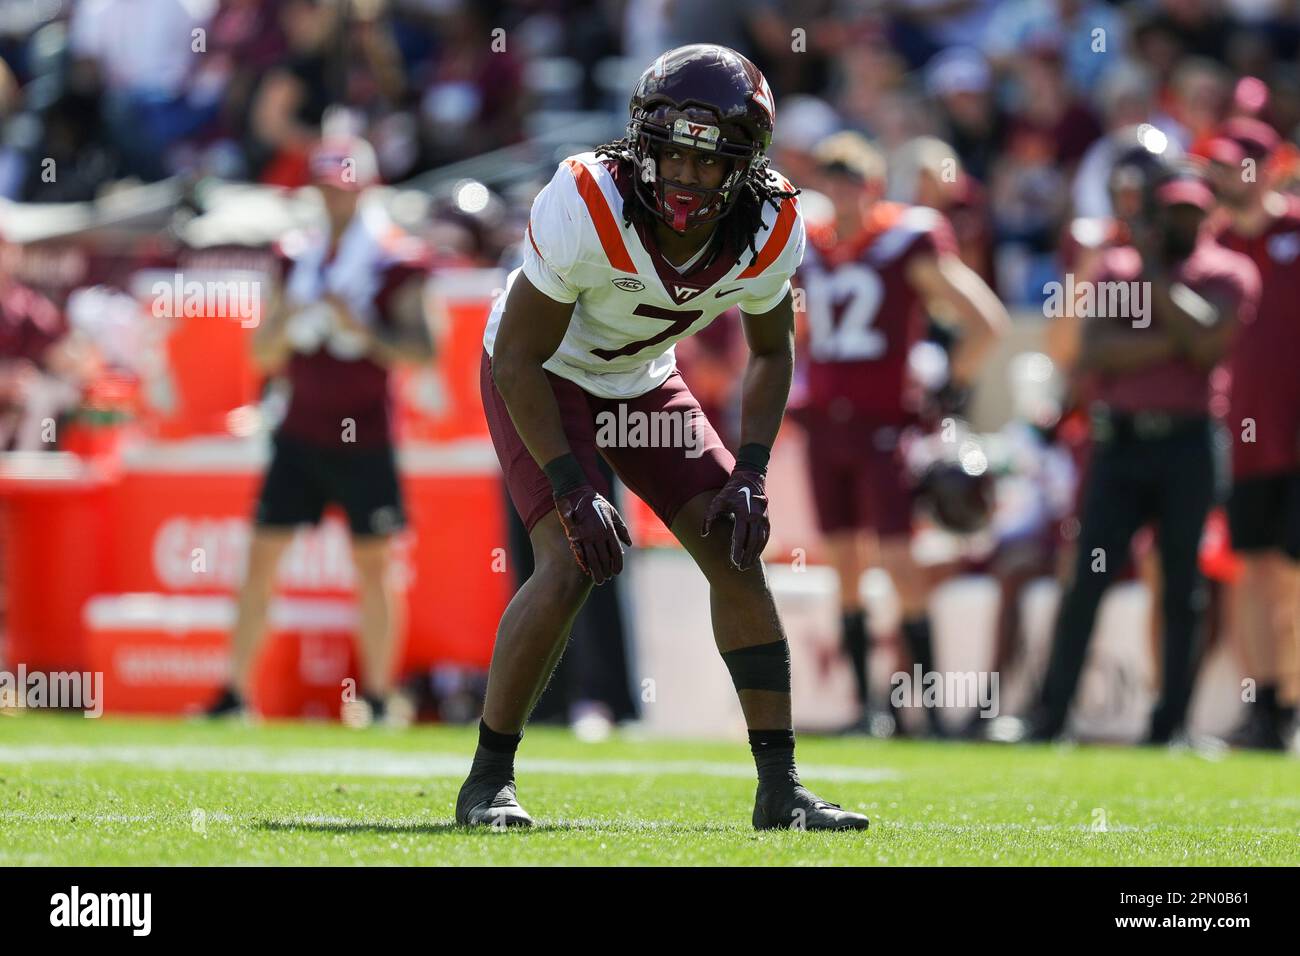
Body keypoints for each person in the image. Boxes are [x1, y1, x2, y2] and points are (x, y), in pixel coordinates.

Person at [458, 44, 868, 831]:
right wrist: (572, 489)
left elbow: (774, 349)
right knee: (569, 564)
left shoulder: (773, 221)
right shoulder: (586, 198)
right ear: (641, 145)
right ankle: (487, 781)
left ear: (744, 169)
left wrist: (750, 471)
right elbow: (517, 355)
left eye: (707, 163)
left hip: (642, 379)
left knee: (733, 548)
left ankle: (780, 789)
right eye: (672, 155)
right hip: (543, 372)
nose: (684, 177)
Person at [1029, 149, 1260, 745]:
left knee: (1183, 585)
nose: (1182, 223)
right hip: (1122, 444)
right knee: (1087, 580)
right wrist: (1179, 338)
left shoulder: (1229, 270)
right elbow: (1097, 350)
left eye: (1192, 212)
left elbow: (1211, 346)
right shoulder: (1115, 267)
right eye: (1173, 211)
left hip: (1188, 444)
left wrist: (1158, 284)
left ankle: (1172, 724)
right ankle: (1051, 717)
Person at [205, 135, 434, 725]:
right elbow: (261, 352)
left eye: (343, 191)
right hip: (301, 429)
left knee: (374, 565)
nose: (334, 202)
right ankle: (234, 693)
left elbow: (421, 351)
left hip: (368, 434)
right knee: (261, 559)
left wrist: (358, 327)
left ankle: (380, 697)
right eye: (326, 190)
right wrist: (295, 321)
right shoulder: (295, 256)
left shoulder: (394, 259)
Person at [795, 131, 1007, 735]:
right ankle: (865, 710)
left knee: (898, 562)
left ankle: (930, 711)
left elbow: (985, 321)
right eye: (830, 180)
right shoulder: (813, 245)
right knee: (844, 566)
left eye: (850, 181)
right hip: (826, 424)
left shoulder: (905, 240)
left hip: (884, 425)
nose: (840, 193)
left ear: (873, 186)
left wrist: (945, 390)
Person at [1207, 118, 1300, 749]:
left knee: (1292, 572)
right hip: (1242, 440)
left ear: (1272, 166)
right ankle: (1264, 707)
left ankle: (1290, 703)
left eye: (1240, 163)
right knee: (1253, 570)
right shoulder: (1209, 246)